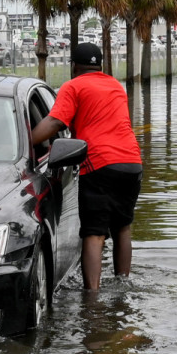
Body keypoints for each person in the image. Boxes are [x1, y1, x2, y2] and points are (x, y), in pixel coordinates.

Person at [29, 41, 142, 290]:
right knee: (122, 227)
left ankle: (92, 298)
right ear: (100, 65)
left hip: (100, 165)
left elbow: (54, 123)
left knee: (94, 233)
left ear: (73, 66)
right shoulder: (115, 86)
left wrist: (25, 142)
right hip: (132, 162)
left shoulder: (73, 86)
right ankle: (123, 285)